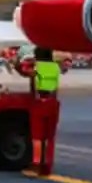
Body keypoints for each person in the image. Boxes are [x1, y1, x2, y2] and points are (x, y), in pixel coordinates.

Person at [30, 47, 61, 176]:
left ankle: (37, 164)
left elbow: (34, 84)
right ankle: (48, 165)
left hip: (40, 102)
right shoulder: (55, 67)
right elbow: (56, 86)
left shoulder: (37, 66)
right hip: (52, 102)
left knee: (37, 136)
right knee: (50, 136)